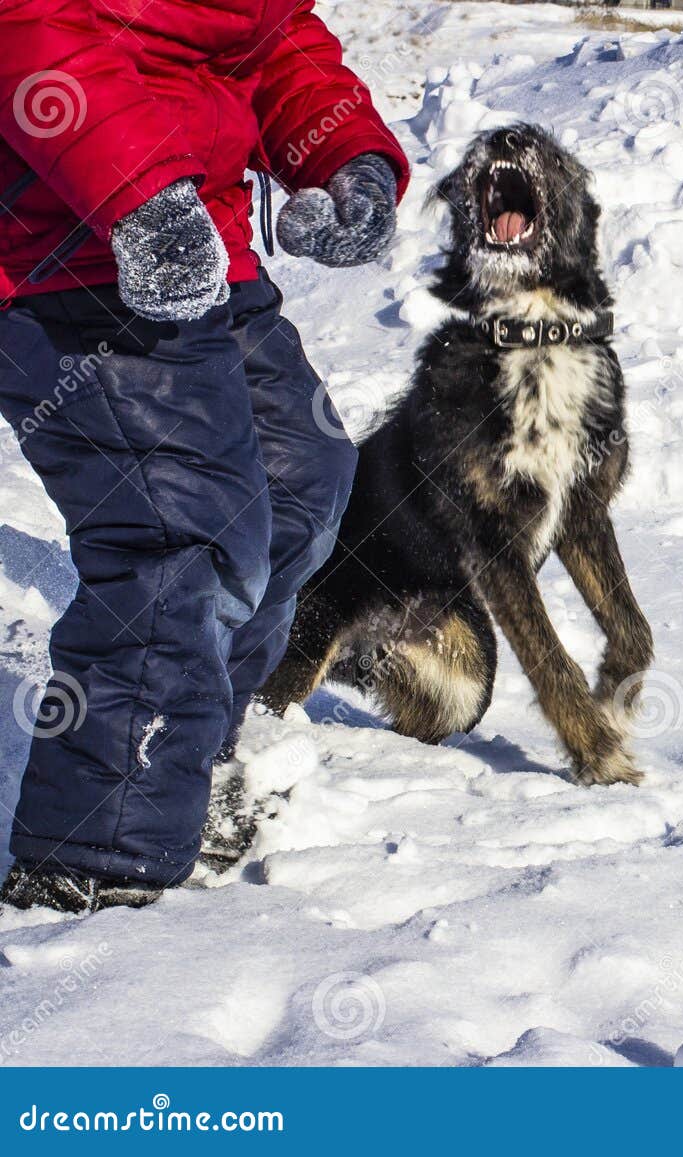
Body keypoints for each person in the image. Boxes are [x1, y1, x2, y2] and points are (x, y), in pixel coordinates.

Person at [0, 0, 410, 913]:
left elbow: (269, 37)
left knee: (302, 477)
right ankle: (94, 861)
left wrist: (348, 157)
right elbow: (25, 28)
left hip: (200, 249)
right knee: (181, 535)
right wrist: (138, 195)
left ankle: (182, 751)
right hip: (62, 255)